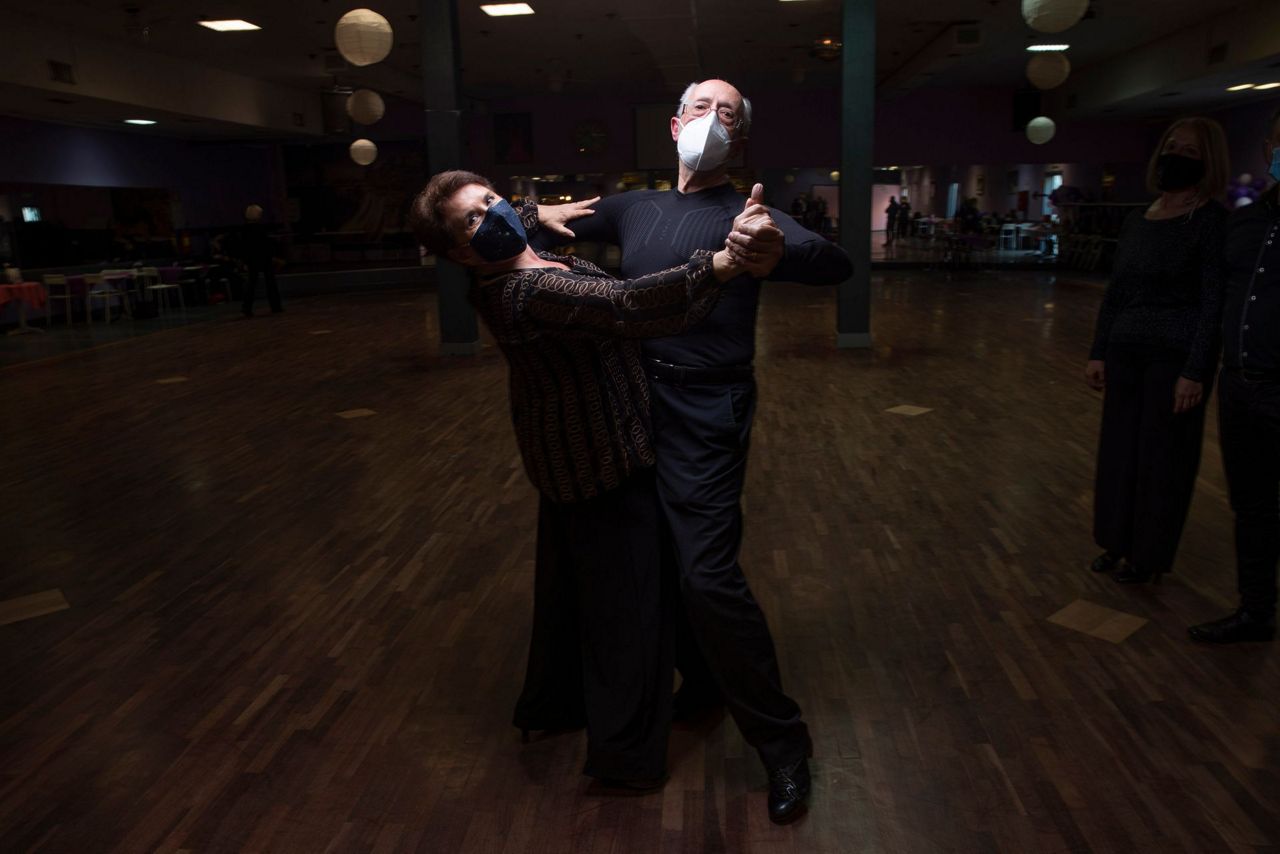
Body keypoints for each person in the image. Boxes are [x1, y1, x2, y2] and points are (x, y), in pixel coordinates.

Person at [531, 79, 852, 825]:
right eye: (702, 108)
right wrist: (530, 211)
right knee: (647, 565)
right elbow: (547, 224)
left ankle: (784, 744)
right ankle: (701, 685)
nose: (713, 121)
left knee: (707, 575)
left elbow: (832, 263)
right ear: (676, 124)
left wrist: (772, 254)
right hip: (629, 397)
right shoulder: (634, 205)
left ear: (739, 143)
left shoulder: (750, 215)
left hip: (707, 407)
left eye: (729, 115)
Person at [407, 169, 776, 787]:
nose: (494, 214)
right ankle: (626, 757)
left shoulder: (519, 251)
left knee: (629, 585)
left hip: (570, 454)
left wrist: (530, 208)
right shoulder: (525, 292)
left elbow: (507, 218)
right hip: (599, 466)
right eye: (473, 219)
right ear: (461, 255)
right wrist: (722, 265)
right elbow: (628, 304)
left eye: (492, 200)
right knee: (625, 612)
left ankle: (690, 686)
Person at [1085, 117, 1230, 585]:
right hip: (1127, 348)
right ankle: (1115, 540)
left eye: (1189, 152)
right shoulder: (1137, 219)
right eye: (1172, 147)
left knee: (1163, 459)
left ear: (1207, 162)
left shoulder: (1210, 222)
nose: (1176, 157)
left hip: (1174, 355)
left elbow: (1213, 304)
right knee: (1120, 452)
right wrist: (1099, 350)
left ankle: (1147, 555)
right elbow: (1117, 292)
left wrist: (1196, 369)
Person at [1189, 106, 1280, 643]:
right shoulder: (1244, 220)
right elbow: (1217, 298)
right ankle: (1255, 612)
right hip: (1239, 384)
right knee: (1250, 506)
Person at [238, 203, 282, 317]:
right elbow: (266, 244)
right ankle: (275, 306)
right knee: (270, 282)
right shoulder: (261, 229)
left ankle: (246, 307)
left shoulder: (244, 230)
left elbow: (243, 247)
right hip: (264, 258)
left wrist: (244, 260)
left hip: (252, 259)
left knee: (252, 283)